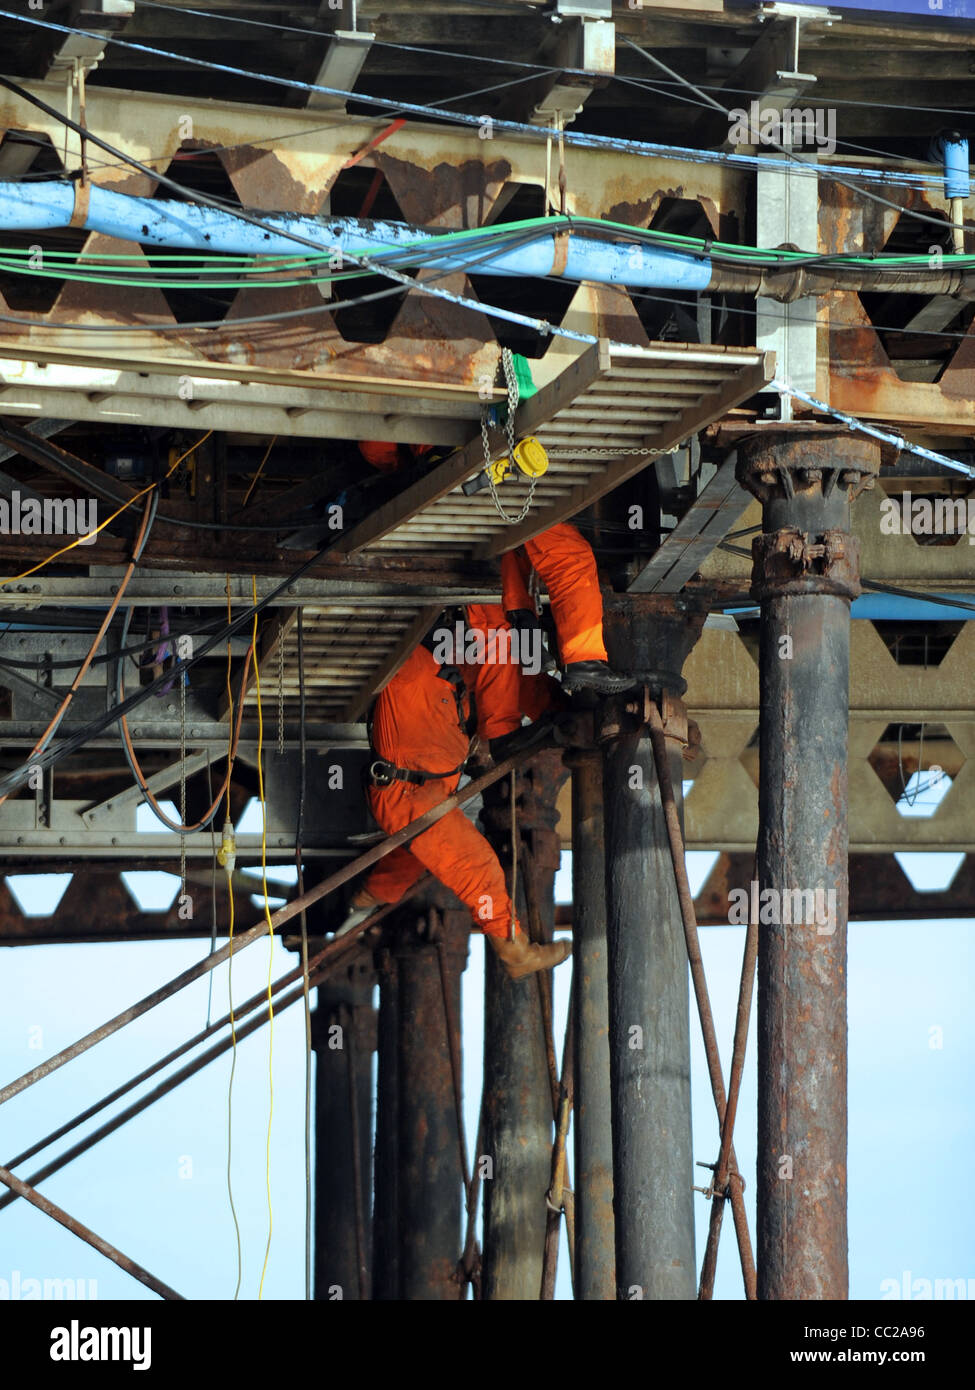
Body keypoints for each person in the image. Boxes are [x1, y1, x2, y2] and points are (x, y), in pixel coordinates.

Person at [333, 625, 572, 981]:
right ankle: (514, 951)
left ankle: (372, 893)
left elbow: (509, 675)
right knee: (480, 872)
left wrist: (560, 708)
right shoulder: (411, 664)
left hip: (420, 793)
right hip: (408, 795)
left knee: (418, 853)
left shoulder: (447, 669)